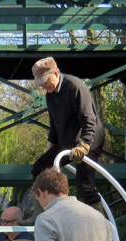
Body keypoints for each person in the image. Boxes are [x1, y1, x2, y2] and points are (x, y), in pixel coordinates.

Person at [30, 56, 105, 209]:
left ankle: (98, 225)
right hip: (67, 142)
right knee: (39, 169)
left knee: (85, 186)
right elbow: (54, 125)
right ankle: (43, 214)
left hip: (88, 139)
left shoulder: (75, 86)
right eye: (41, 83)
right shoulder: (50, 95)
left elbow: (89, 119)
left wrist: (84, 145)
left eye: (45, 81)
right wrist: (50, 149)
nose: (44, 86)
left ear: (56, 74)